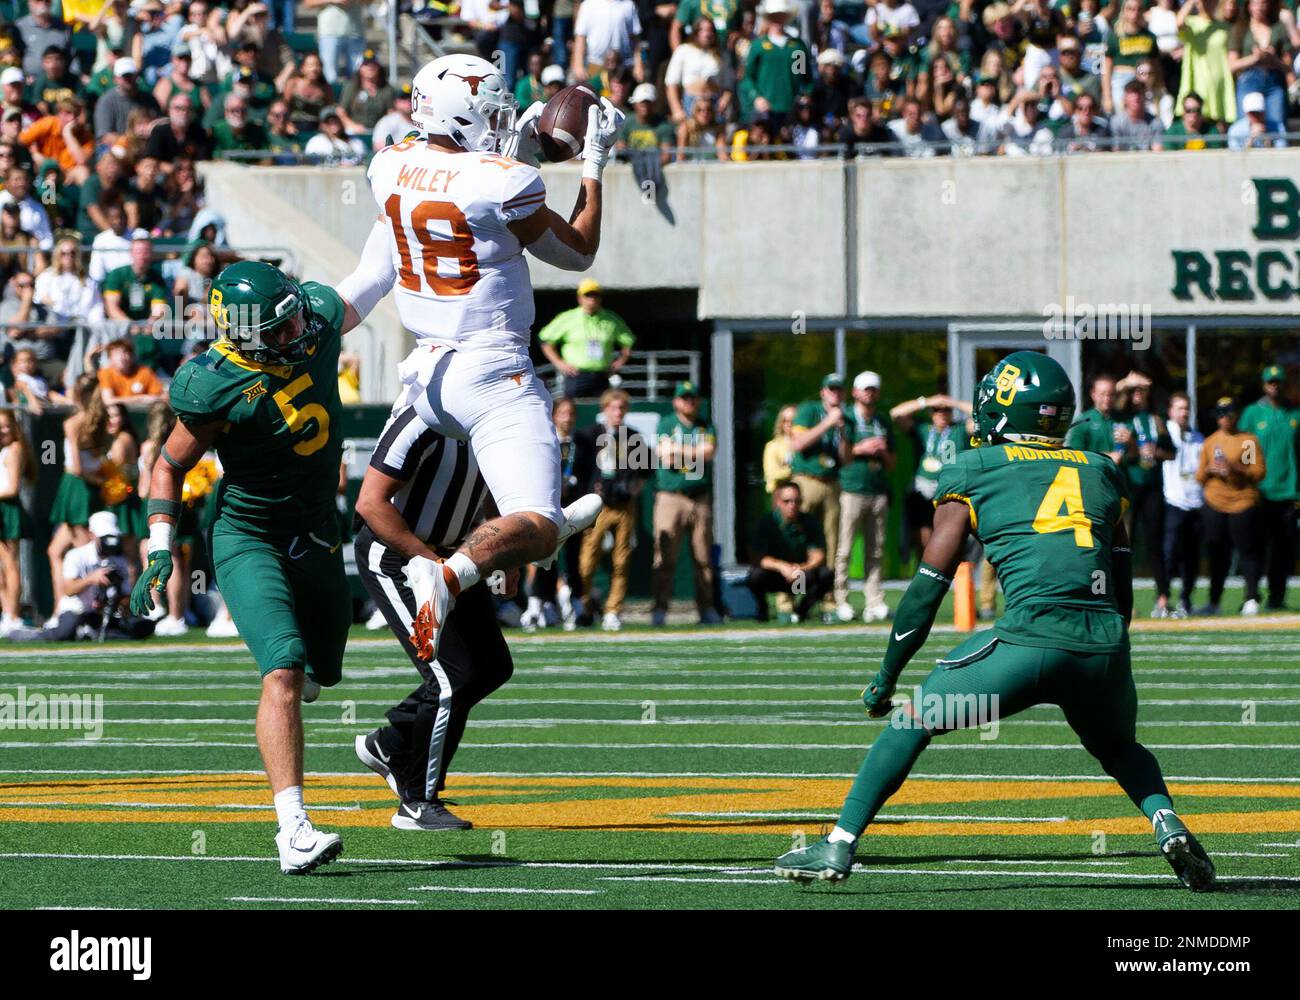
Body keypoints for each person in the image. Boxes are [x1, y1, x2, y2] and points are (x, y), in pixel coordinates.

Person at [774, 352, 1216, 893]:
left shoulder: (974, 468)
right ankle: (1165, 821)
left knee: (912, 720)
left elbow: (926, 590)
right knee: (1119, 747)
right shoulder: (1102, 470)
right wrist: (1110, 649)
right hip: (1102, 647)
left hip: (1026, 645)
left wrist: (887, 676)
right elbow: (1119, 583)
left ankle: (838, 843)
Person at [336, 53, 624, 666]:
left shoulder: (388, 165)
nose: (502, 123)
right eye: (490, 113)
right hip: (494, 372)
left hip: (425, 377)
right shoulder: (504, 180)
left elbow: (446, 207)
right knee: (537, 526)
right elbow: (577, 254)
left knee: (378, 499)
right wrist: (595, 165)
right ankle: (452, 572)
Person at [129, 260, 375, 875]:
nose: (297, 333)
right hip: (249, 536)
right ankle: (292, 828)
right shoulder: (214, 384)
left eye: (295, 318)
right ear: (242, 333)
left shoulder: (313, 322)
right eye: (280, 328)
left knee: (323, 670)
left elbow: (378, 271)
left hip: (317, 532)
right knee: (284, 667)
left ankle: (302, 677)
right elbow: (169, 466)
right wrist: (161, 543)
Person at [11, 510, 153, 642]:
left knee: (136, 629)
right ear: (92, 535)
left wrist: (124, 596)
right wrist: (91, 579)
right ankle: (26, 635)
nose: (110, 542)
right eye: (105, 537)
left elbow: (125, 597)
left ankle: (91, 632)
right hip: (76, 609)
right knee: (63, 633)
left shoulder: (119, 560)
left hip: (103, 612)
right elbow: (68, 590)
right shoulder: (77, 556)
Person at [523, 395, 597, 630]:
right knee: (545, 557)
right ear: (554, 415)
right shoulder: (544, 439)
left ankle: (576, 604)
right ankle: (537, 606)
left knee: (574, 559)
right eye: (562, 413)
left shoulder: (581, 443)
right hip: (548, 508)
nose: (567, 418)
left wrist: (573, 486)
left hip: (572, 508)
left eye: (571, 414)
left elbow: (587, 476)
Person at [578, 388, 649, 631]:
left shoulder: (633, 437)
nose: (618, 412)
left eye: (622, 408)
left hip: (623, 505)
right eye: (613, 407)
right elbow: (580, 469)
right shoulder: (591, 434)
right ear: (604, 409)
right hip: (598, 504)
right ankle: (586, 604)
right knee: (587, 560)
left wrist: (633, 489)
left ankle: (613, 609)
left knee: (622, 560)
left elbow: (646, 471)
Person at [651, 380, 718, 626]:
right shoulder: (667, 422)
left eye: (692, 397)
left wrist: (678, 449)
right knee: (665, 555)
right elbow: (665, 457)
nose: (689, 401)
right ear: (676, 401)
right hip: (671, 495)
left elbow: (709, 453)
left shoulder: (705, 424)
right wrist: (694, 451)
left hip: (699, 496)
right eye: (684, 397)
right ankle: (660, 609)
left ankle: (707, 608)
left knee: (703, 558)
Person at [1196, 397, 1266, 615]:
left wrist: (1234, 468)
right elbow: (1200, 476)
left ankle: (1252, 597)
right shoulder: (1210, 441)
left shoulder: (1248, 441)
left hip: (1242, 501)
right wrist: (1211, 470)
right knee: (1217, 553)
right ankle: (1214, 601)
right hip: (1215, 502)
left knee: (1247, 551)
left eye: (1228, 413)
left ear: (1236, 415)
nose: (1224, 418)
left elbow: (1258, 472)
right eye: (1220, 414)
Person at [835, 371, 894, 623]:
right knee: (845, 549)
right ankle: (841, 599)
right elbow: (843, 457)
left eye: (874, 389)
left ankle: (874, 601)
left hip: (877, 490)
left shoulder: (882, 421)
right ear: (856, 392)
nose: (870, 393)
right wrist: (862, 448)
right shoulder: (846, 418)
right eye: (865, 389)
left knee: (876, 550)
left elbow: (892, 463)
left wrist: (881, 451)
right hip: (852, 490)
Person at [1239, 364, 1298, 611]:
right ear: (1264, 385)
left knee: (1283, 549)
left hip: (1288, 491)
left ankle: (1277, 597)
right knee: (1255, 546)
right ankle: (1251, 596)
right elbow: (1243, 451)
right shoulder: (1253, 413)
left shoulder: (1294, 414)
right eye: (1270, 382)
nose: (1275, 386)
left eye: (1278, 382)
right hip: (1259, 491)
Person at [789, 373, 846, 619]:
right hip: (807, 481)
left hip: (832, 482)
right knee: (797, 539)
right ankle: (789, 597)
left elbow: (846, 458)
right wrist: (828, 423)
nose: (835, 393)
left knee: (832, 543)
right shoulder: (808, 410)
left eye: (838, 390)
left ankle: (827, 599)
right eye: (831, 389)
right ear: (823, 392)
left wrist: (843, 433)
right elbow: (798, 443)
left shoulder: (844, 416)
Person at [1117, 371, 1174, 615]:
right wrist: (1128, 382)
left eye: (1143, 392)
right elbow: (1116, 393)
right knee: (1124, 543)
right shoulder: (1123, 417)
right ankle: (1122, 597)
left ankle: (1163, 597)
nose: (1139, 395)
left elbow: (1171, 452)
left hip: (1152, 486)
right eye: (1135, 392)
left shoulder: (1156, 420)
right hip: (1130, 486)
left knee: (1155, 543)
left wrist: (1155, 451)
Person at [890, 393, 971, 557]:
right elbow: (896, 414)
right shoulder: (923, 428)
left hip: (949, 490)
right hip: (923, 489)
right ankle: (924, 568)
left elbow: (979, 416)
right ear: (931, 413)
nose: (942, 414)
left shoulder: (959, 429)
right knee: (923, 536)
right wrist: (926, 402)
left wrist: (953, 402)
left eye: (946, 410)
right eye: (937, 410)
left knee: (948, 534)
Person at [746, 480, 834, 623]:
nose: (792, 505)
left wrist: (799, 569)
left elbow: (818, 555)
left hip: (799, 578)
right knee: (754, 576)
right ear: (778, 502)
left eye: (796, 501)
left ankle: (801, 611)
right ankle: (762, 610)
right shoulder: (768, 522)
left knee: (826, 574)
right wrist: (782, 567)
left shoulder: (810, 521)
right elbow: (758, 557)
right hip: (777, 577)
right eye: (787, 501)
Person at [538, 279, 636, 399]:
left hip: (602, 374)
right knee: (575, 408)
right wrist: (559, 363)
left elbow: (628, 341)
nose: (592, 299)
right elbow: (545, 340)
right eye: (588, 295)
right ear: (580, 298)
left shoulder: (611, 319)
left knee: (602, 409)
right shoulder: (568, 318)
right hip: (576, 374)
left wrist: (621, 360)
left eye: (596, 295)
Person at [1160, 391, 1204, 618]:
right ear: (1170, 411)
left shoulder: (1197, 437)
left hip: (1195, 503)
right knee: (1169, 553)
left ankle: (1185, 598)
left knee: (1191, 557)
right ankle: (1163, 598)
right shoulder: (1165, 433)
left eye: (1186, 408)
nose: (1184, 412)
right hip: (1173, 501)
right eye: (1179, 408)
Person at [0, 410, 34, 635]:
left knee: (11, 564)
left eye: (6, 426)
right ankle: (6, 613)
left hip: (8, 509)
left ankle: (13, 615)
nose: (3, 430)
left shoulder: (15, 449)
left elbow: (12, 488)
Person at [763, 405, 796, 494]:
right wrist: (796, 469)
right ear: (781, 423)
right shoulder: (773, 446)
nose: (790, 424)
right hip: (779, 494)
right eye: (786, 420)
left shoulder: (808, 445)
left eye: (794, 420)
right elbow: (773, 474)